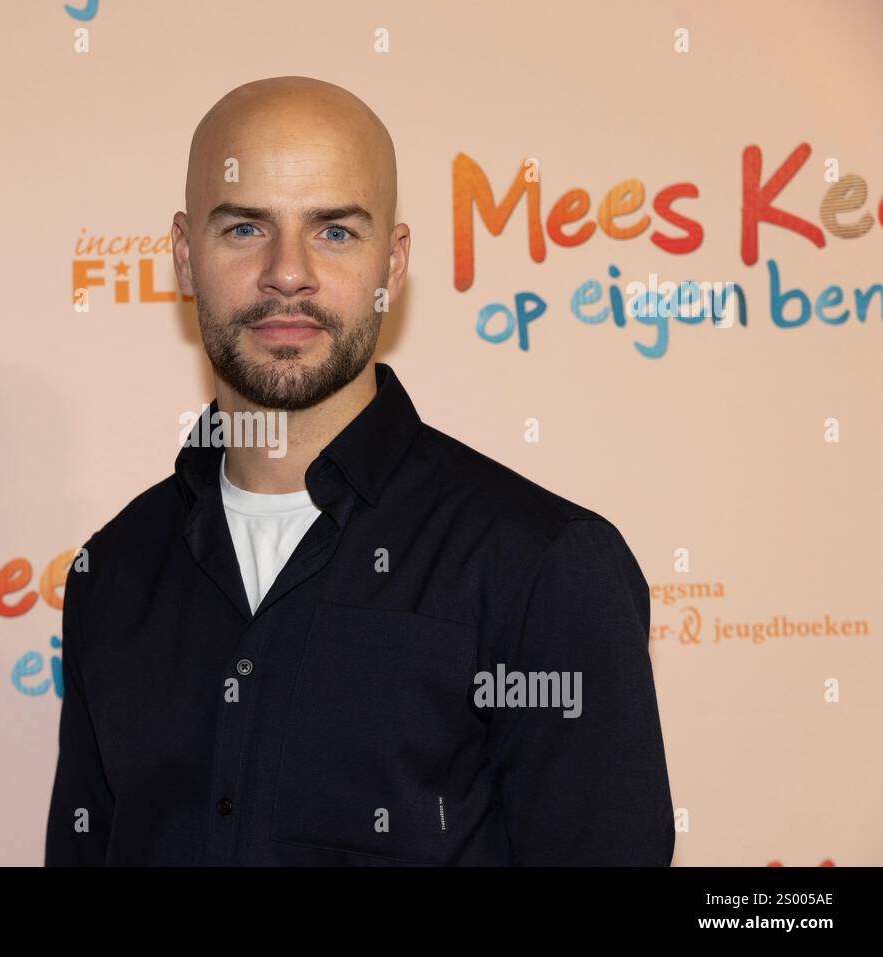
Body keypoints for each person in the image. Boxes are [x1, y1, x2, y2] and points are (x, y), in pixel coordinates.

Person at [45, 75, 674, 866]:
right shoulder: (115, 572)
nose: (288, 273)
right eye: (245, 229)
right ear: (182, 254)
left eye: (334, 232)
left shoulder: (542, 565)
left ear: (394, 260)